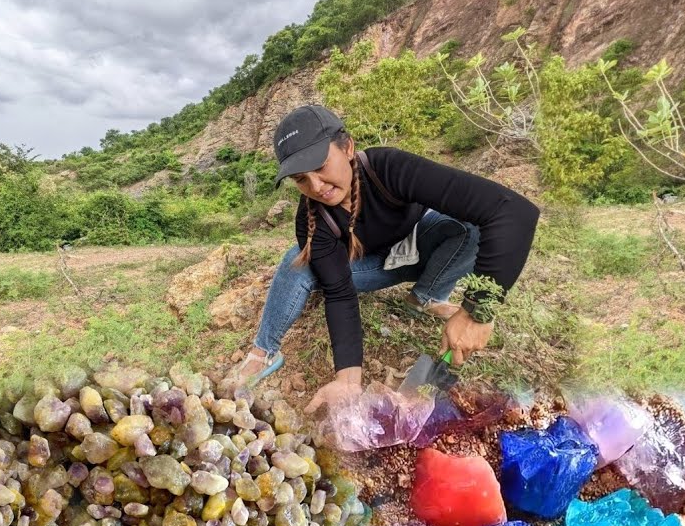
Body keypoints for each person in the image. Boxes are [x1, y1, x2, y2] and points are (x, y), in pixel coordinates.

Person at [228, 104, 540, 414]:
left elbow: (512, 212)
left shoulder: (388, 168)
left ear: (347, 147)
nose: (316, 187)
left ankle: (426, 297)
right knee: (296, 260)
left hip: (417, 251)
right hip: (371, 268)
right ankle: (264, 351)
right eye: (301, 179)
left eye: (320, 166)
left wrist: (477, 309)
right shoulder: (313, 220)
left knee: (470, 226)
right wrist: (347, 380)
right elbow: (340, 293)